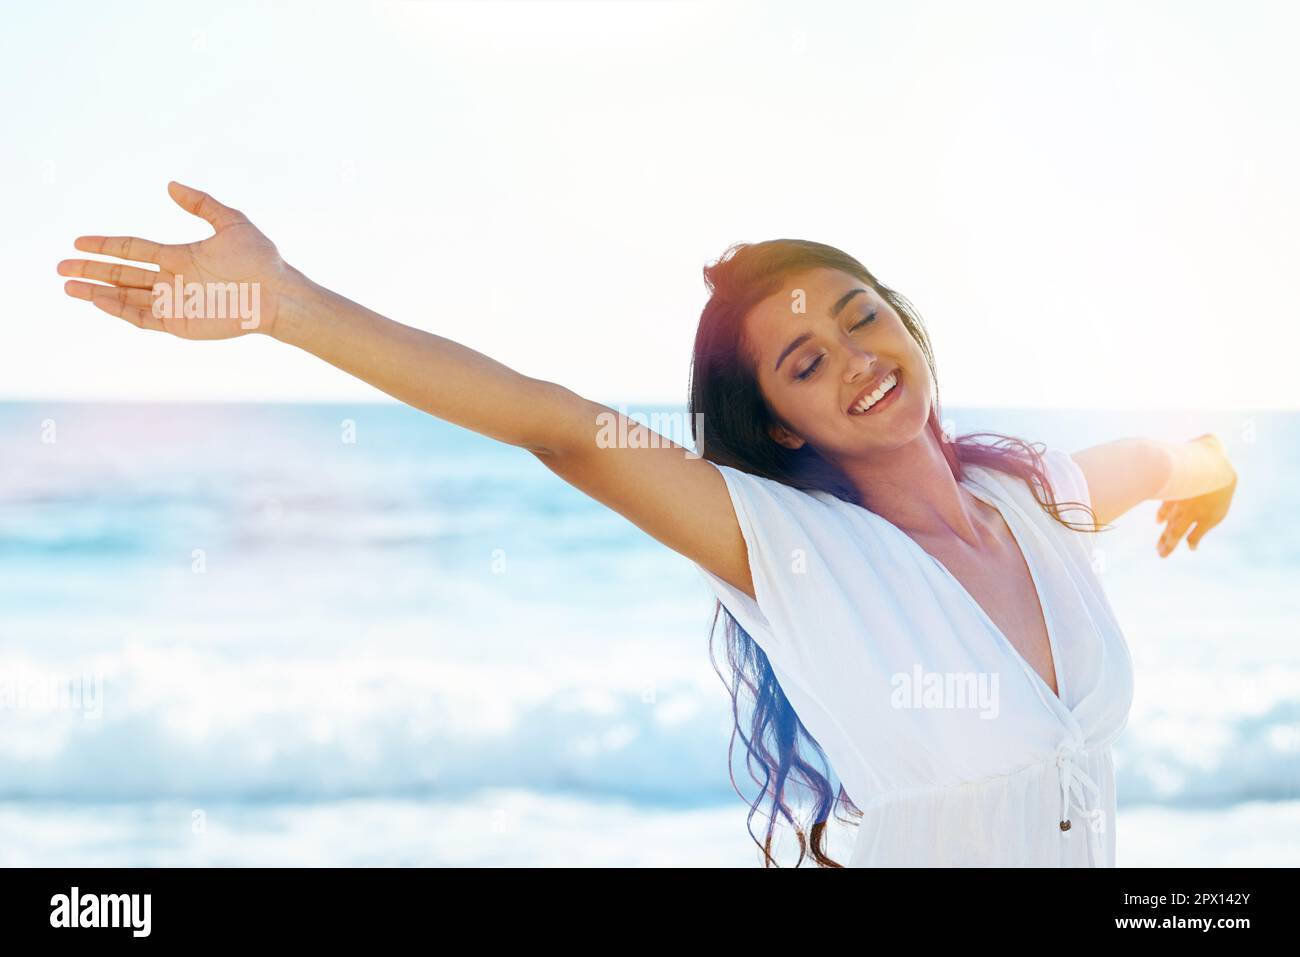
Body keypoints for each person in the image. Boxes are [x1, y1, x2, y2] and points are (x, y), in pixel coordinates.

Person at [56, 181, 1239, 867]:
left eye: (861, 314)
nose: (857, 359)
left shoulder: (1033, 500)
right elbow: (559, 427)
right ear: (777, 425)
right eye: (804, 359)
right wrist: (289, 307)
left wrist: (1213, 464)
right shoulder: (793, 554)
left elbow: (1152, 459)